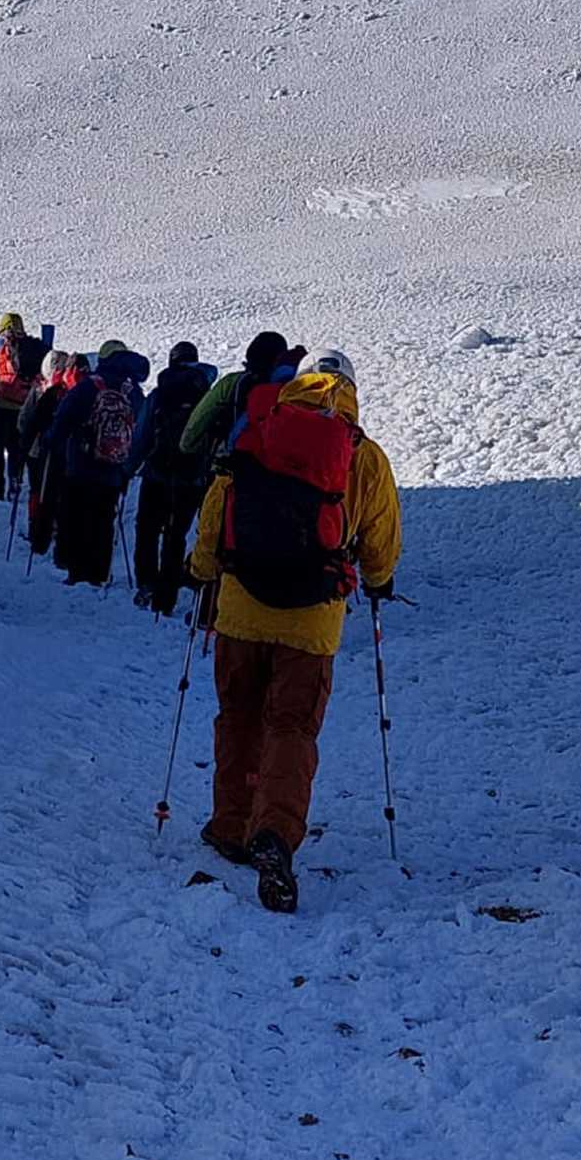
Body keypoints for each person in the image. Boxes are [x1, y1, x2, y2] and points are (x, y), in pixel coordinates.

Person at [190, 348, 401, 915]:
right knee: (291, 726)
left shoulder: (259, 432)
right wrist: (379, 581)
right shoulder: (364, 456)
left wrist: (203, 570)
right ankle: (275, 834)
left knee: (237, 714)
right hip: (312, 620)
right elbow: (380, 538)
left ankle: (230, 825)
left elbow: (217, 508)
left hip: (240, 605)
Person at [50, 340, 150, 586]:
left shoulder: (89, 386)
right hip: (114, 469)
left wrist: (52, 443)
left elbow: (64, 418)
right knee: (103, 521)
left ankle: (76, 572)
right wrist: (128, 467)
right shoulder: (133, 392)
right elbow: (141, 432)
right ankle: (98, 574)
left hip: (81, 465)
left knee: (77, 517)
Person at [128, 341, 217, 615]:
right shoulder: (207, 396)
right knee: (175, 535)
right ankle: (165, 599)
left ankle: (146, 584)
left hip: (157, 473)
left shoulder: (160, 393)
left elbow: (142, 435)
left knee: (147, 529)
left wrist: (128, 469)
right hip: (191, 478)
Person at [178, 331, 305, 471]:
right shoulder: (296, 389)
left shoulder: (231, 383)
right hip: (287, 476)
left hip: (232, 474)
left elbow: (189, 438)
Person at [0, 314, 53, 500]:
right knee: (16, 450)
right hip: (23, 408)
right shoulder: (32, 346)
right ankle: (15, 484)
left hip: (1, 407)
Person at [19, 349, 69, 552]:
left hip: (37, 450)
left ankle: (36, 529)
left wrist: (24, 444)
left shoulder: (40, 388)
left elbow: (25, 420)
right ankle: (58, 526)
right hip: (63, 450)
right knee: (59, 489)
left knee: (37, 490)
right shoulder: (70, 389)